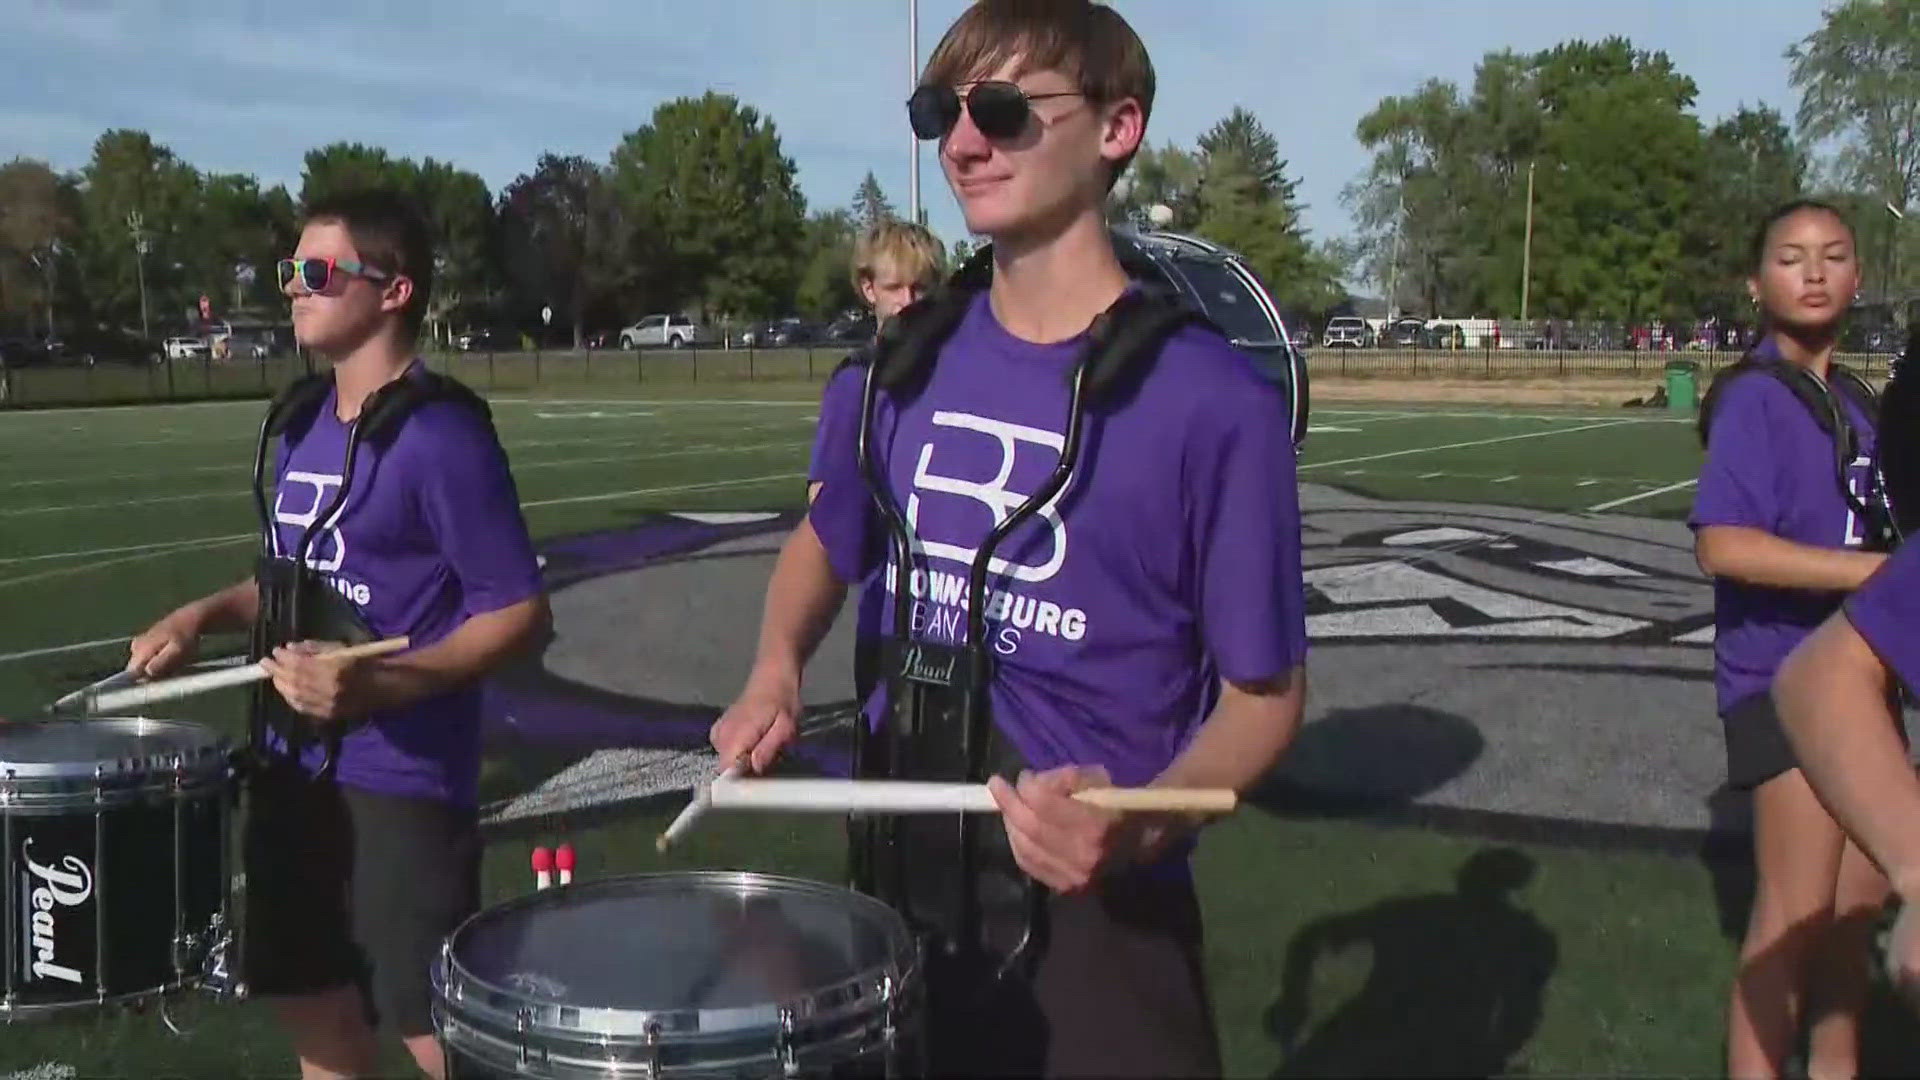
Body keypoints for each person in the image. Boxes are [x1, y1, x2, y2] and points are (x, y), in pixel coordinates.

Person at [710, 2, 1307, 1075]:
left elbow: (1266, 700)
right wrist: (774, 667)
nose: (963, 142)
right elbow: (824, 540)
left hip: (1097, 916)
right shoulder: (896, 369)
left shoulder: (1211, 397)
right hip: (898, 875)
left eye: (999, 109)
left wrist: (1136, 829)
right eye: (941, 110)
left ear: (1118, 127)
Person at [126, 189, 549, 1080]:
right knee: (314, 1010)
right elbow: (291, 576)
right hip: (288, 767)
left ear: (393, 291)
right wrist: (203, 614)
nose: (294, 289)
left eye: (317, 273)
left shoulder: (440, 436)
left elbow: (517, 612)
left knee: (441, 1034)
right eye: (290, 272)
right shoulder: (304, 424)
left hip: (397, 783)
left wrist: (379, 688)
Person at [1688, 198, 1886, 1079]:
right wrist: (1879, 577)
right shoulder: (1756, 400)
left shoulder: (1857, 401)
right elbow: (1723, 544)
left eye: (1833, 255)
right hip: (1785, 681)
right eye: (1791, 257)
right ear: (1755, 283)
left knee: (1855, 915)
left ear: (1858, 277)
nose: (1813, 272)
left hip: (1861, 687)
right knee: (1795, 918)